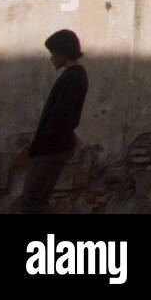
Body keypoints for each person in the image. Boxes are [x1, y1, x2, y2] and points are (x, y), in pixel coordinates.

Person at [20, 29, 89, 214]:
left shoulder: (73, 76)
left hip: (51, 148)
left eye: (53, 53)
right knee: (37, 200)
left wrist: (40, 145)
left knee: (31, 202)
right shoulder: (75, 75)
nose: (51, 58)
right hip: (55, 146)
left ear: (62, 52)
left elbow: (61, 118)